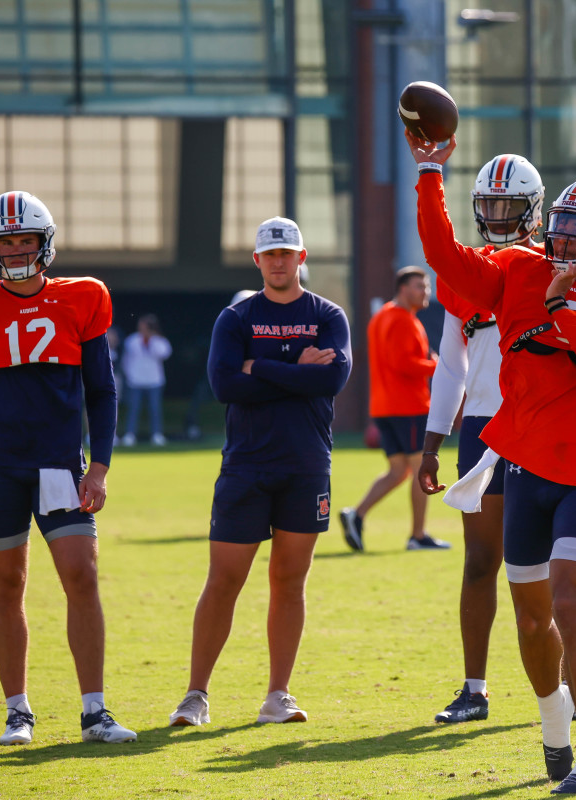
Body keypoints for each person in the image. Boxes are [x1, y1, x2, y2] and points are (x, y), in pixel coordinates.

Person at [411, 130, 576, 794]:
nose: (558, 241)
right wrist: (427, 171)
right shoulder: (515, 273)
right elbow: (443, 255)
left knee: (567, 605)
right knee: (531, 620)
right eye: (557, 226)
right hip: (522, 468)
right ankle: (553, 716)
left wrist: (567, 311)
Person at [0, 191, 135, 745]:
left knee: (82, 575)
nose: (18, 248)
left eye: (26, 238)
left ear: (45, 242)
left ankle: (94, 711)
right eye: (8, 241)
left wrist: (98, 467)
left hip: (58, 465)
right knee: (7, 584)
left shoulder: (84, 296)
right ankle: (17, 711)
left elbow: (102, 390)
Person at [169, 217, 351, 728]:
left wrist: (261, 366)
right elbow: (225, 385)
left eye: (286, 253)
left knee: (289, 582)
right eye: (270, 254)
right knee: (224, 580)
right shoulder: (235, 317)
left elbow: (334, 377)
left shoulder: (329, 315)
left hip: (306, 464)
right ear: (256, 260)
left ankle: (278, 696)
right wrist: (298, 370)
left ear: (301, 257)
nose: (278, 261)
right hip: (246, 466)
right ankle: (195, 695)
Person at [416, 154, 546, 723]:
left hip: (540, 428)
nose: (495, 217)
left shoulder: (552, 267)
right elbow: (451, 366)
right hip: (481, 428)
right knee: (478, 562)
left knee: (542, 569)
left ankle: (562, 688)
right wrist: (431, 440)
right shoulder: (463, 274)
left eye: (507, 207)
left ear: (533, 212)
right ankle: (474, 689)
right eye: (488, 206)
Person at [340, 266, 447, 552]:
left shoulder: (383, 316)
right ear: (403, 289)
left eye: (425, 287)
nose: (425, 292)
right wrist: (437, 365)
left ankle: (356, 514)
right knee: (419, 470)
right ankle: (418, 536)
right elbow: (404, 364)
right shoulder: (402, 319)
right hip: (407, 407)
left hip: (385, 407)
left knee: (399, 471)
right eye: (419, 286)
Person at [120, 314, 172, 446]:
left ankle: (157, 434)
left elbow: (165, 354)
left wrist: (151, 341)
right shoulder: (132, 340)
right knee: (133, 408)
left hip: (154, 381)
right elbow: (126, 360)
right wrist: (129, 375)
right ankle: (130, 435)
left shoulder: (159, 341)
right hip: (135, 381)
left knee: (155, 409)